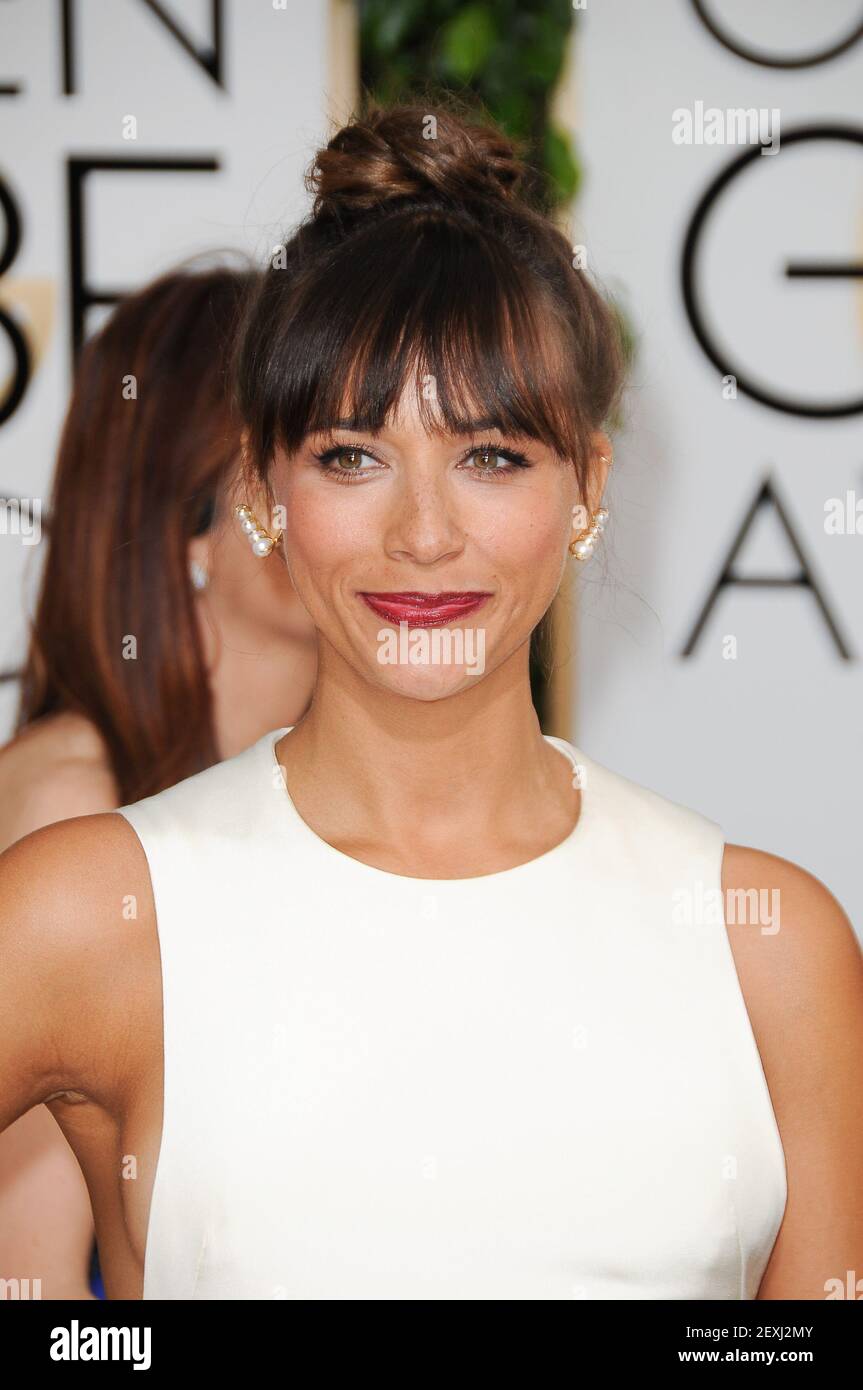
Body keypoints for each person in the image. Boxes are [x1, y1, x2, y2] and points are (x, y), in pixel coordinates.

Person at [1, 105, 861, 1300]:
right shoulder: (93, 911)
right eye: (350, 455)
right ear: (261, 485)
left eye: (491, 455)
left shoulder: (768, 948)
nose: (422, 535)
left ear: (586, 485)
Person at [0, 263, 316, 1299]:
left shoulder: (308, 797)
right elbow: (32, 1284)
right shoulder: (71, 804)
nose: (401, 506)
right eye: (325, 453)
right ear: (187, 515)